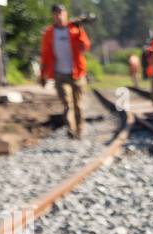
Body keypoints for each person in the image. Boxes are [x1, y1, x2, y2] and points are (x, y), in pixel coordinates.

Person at [39, 4, 91, 139]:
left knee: (78, 104)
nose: (59, 16)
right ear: (53, 15)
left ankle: (80, 128)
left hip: (77, 73)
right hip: (59, 74)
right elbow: (44, 54)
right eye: (56, 13)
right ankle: (71, 129)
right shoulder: (49, 33)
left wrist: (80, 30)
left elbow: (85, 47)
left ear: (66, 14)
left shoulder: (74, 29)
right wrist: (42, 74)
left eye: (62, 13)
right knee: (67, 103)